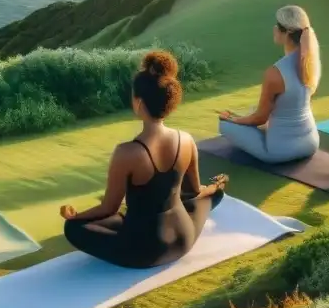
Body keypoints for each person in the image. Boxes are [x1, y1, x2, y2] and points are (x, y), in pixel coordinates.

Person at [60, 50, 227, 269]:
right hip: (184, 238)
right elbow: (194, 192)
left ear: (138, 102)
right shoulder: (186, 140)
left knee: (73, 229)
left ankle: (117, 222)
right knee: (202, 197)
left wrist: (76, 215)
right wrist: (213, 189)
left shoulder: (127, 153)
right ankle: (218, 191)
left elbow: (108, 208)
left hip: (145, 251)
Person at [217, 5, 321, 164]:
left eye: (278, 26)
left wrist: (232, 119)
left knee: (224, 126)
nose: (274, 29)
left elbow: (260, 118)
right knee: (253, 111)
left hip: (278, 151)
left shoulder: (275, 73)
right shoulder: (311, 63)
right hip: (311, 143)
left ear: (288, 33)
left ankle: (232, 122)